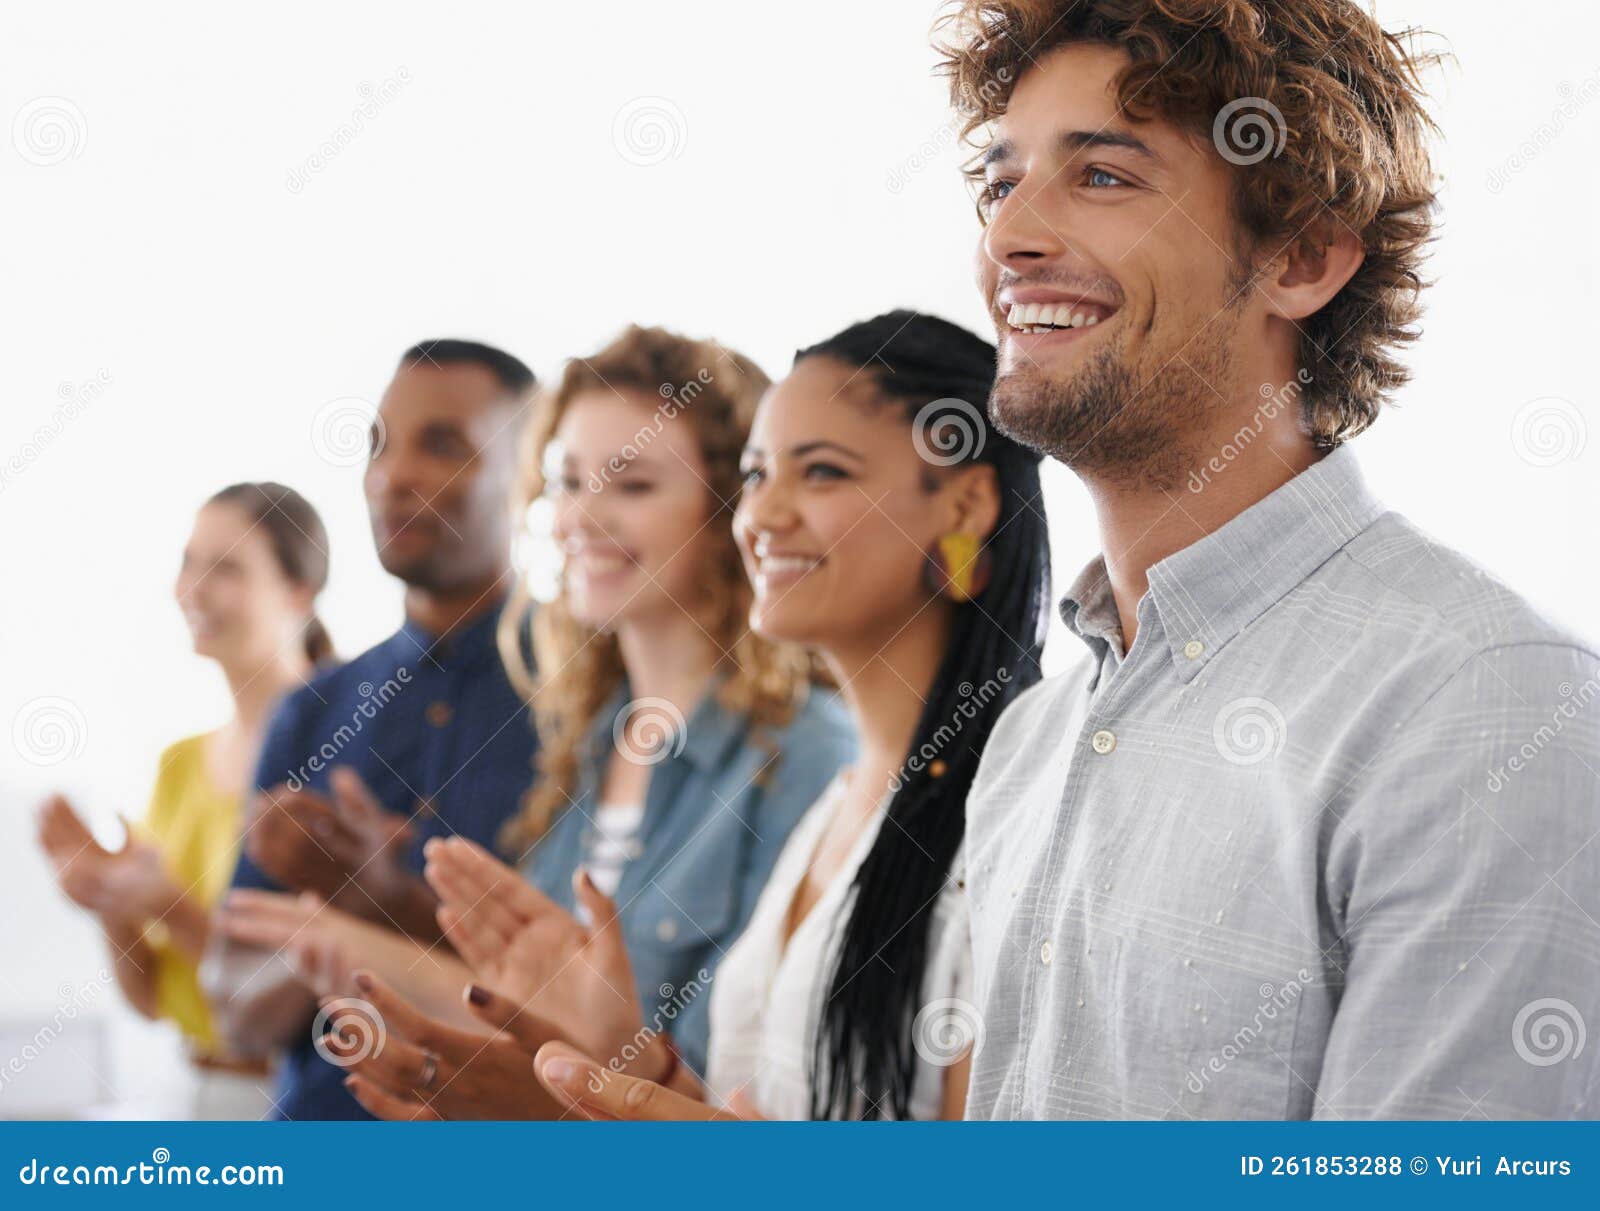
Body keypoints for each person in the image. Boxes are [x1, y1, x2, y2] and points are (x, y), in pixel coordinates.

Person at [936, 0, 1600, 1118]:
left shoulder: (1484, 703)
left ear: (1301, 257)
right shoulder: (1028, 743)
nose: (1008, 238)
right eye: (1001, 183)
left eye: (1101, 176)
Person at [326, 311, 1052, 1122]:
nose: (762, 514)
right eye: (758, 474)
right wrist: (613, 1060)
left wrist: (573, 1104)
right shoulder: (638, 757)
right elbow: (752, 1114)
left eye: (821, 472)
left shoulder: (860, 773)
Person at [219, 325, 855, 1088]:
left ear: (730, 509)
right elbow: (540, 1024)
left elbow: (740, 1086)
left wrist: (367, 945)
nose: (580, 518)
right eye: (569, 482)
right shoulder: (587, 743)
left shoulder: (806, 757)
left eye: (632, 484)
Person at [205, 339, 542, 1121]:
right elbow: (234, 1007)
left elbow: (584, 1006)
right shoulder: (312, 711)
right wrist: (339, 910)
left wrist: (375, 902)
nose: (393, 475)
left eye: (442, 445)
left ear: (528, 475)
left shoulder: (590, 701)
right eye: (379, 444)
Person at [36, 481, 332, 1118]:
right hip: (196, 1092)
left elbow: (314, 993)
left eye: (226, 568)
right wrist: (111, 902)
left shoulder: (342, 754)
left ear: (299, 590)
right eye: (188, 562)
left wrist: (168, 904)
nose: (192, 589)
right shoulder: (179, 764)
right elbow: (150, 1000)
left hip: (299, 1099)